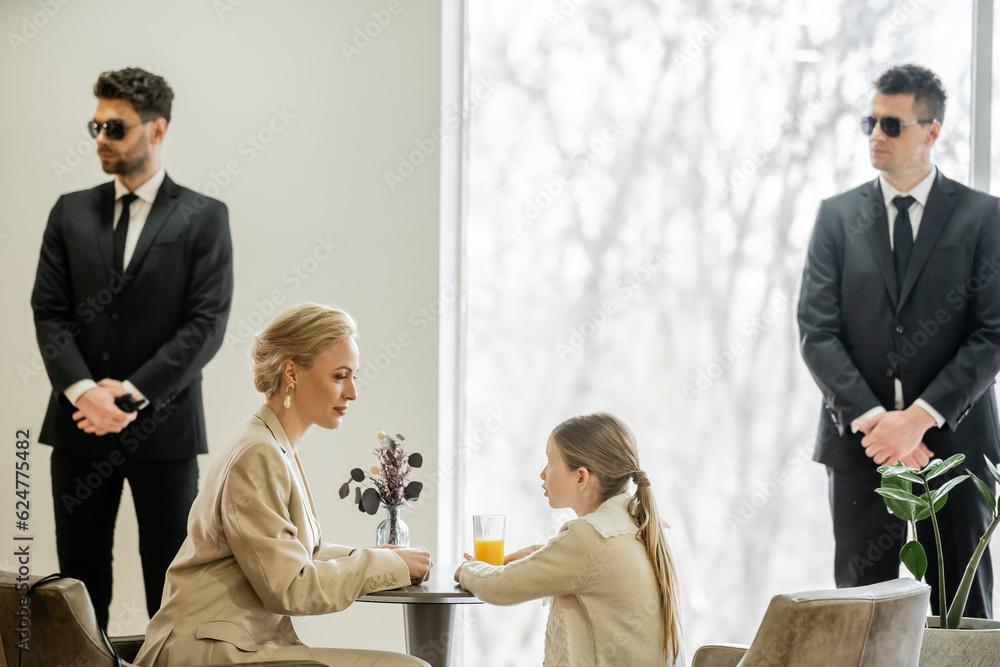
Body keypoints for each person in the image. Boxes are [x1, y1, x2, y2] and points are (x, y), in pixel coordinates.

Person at [31, 67, 234, 626]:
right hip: (78, 427)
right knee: (76, 587)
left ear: (157, 129)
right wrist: (84, 393)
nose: (100, 138)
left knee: (171, 586)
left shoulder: (204, 217)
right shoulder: (68, 211)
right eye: (95, 125)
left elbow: (205, 325)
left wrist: (130, 395)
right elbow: (49, 313)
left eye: (114, 128)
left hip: (165, 429)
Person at [798, 64, 1000, 618]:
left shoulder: (984, 217)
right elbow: (817, 332)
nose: (876, 137)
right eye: (870, 123)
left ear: (931, 130)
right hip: (860, 448)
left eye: (891, 125)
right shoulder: (835, 218)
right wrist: (879, 425)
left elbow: (993, 334)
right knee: (859, 617)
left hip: (956, 448)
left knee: (965, 616)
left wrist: (920, 419)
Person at [134, 304, 433, 666]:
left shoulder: (272, 444)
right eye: (340, 376)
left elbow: (303, 552)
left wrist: (387, 559)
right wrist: (383, 565)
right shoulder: (258, 453)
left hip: (237, 645)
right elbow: (291, 587)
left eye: (353, 376)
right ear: (291, 372)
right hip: (208, 652)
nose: (352, 392)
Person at [454, 413, 683, 666]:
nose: (542, 473)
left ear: (581, 477)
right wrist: (542, 556)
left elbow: (500, 588)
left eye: (550, 462)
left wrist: (468, 569)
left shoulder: (590, 537)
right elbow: (597, 569)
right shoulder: (641, 525)